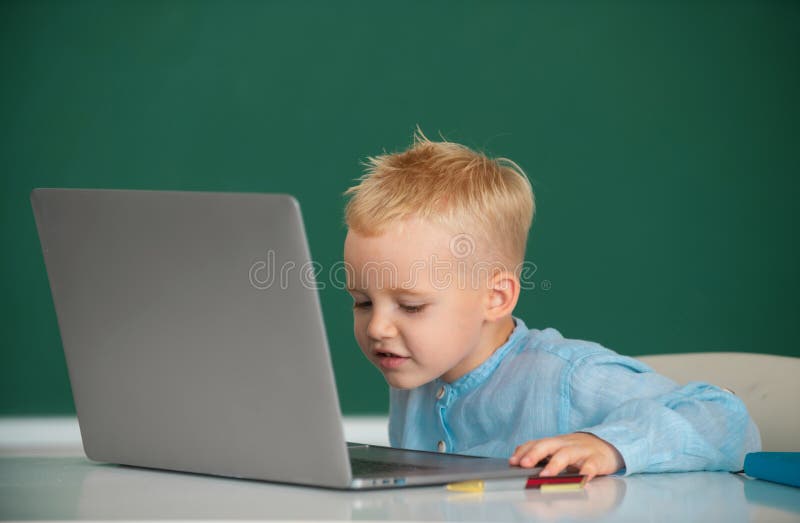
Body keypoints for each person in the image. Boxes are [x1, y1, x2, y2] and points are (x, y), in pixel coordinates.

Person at [342, 128, 760, 481]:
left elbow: (728, 419)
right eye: (362, 302)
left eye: (411, 306)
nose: (378, 327)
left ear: (496, 297)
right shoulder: (417, 374)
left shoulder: (567, 378)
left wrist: (608, 445)